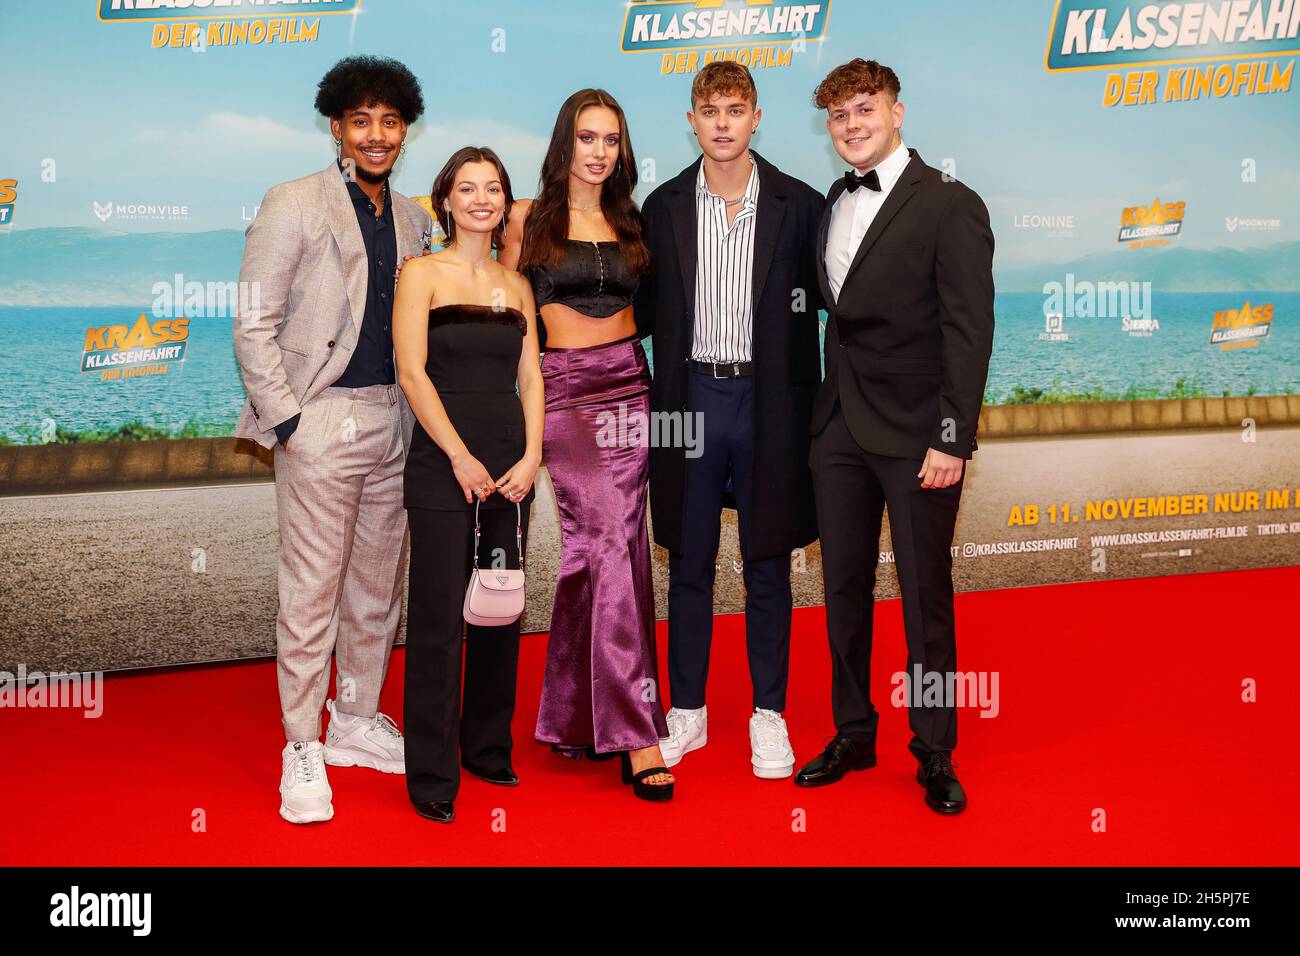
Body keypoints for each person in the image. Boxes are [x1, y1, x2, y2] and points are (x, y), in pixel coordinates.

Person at [232, 56, 433, 825]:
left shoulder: (416, 216)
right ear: (337, 127)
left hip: (395, 419)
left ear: (405, 128)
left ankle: (352, 722)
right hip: (321, 420)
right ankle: (300, 744)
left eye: (389, 121)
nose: (376, 135)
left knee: (377, 590)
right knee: (311, 593)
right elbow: (252, 318)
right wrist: (287, 422)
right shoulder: (293, 202)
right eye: (361, 121)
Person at [794, 59, 995, 814]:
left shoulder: (950, 204)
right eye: (839, 115)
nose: (851, 125)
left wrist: (952, 438)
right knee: (842, 590)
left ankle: (935, 747)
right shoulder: (831, 205)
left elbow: (968, 332)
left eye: (864, 109)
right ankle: (854, 731)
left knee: (924, 597)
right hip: (839, 427)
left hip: (919, 438)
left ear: (898, 111)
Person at [636, 61, 823, 780]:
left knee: (768, 565)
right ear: (691, 119)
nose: (722, 122)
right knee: (688, 562)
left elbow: (838, 304)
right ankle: (688, 711)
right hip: (688, 404)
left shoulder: (800, 205)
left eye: (735, 109)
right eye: (709, 110)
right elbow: (640, 314)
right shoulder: (662, 207)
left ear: (757, 118)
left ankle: (768, 714)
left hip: (771, 404)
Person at [499, 88, 673, 801]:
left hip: (633, 385)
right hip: (565, 392)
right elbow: (508, 318)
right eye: (588, 137)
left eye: (611, 140)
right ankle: (638, 736)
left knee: (616, 549)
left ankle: (576, 711)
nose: (599, 152)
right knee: (603, 540)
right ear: (564, 144)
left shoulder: (632, 219)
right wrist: (520, 420)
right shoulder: (525, 219)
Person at [393, 146, 543, 825]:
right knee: (436, 620)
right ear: (444, 200)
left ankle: (486, 746)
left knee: (498, 608)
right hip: (443, 466)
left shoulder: (517, 286)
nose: (480, 199)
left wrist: (533, 454)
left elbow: (533, 377)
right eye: (466, 188)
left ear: (506, 202)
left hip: (510, 472)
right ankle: (430, 769)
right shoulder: (422, 274)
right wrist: (457, 456)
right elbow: (413, 374)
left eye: (493, 189)